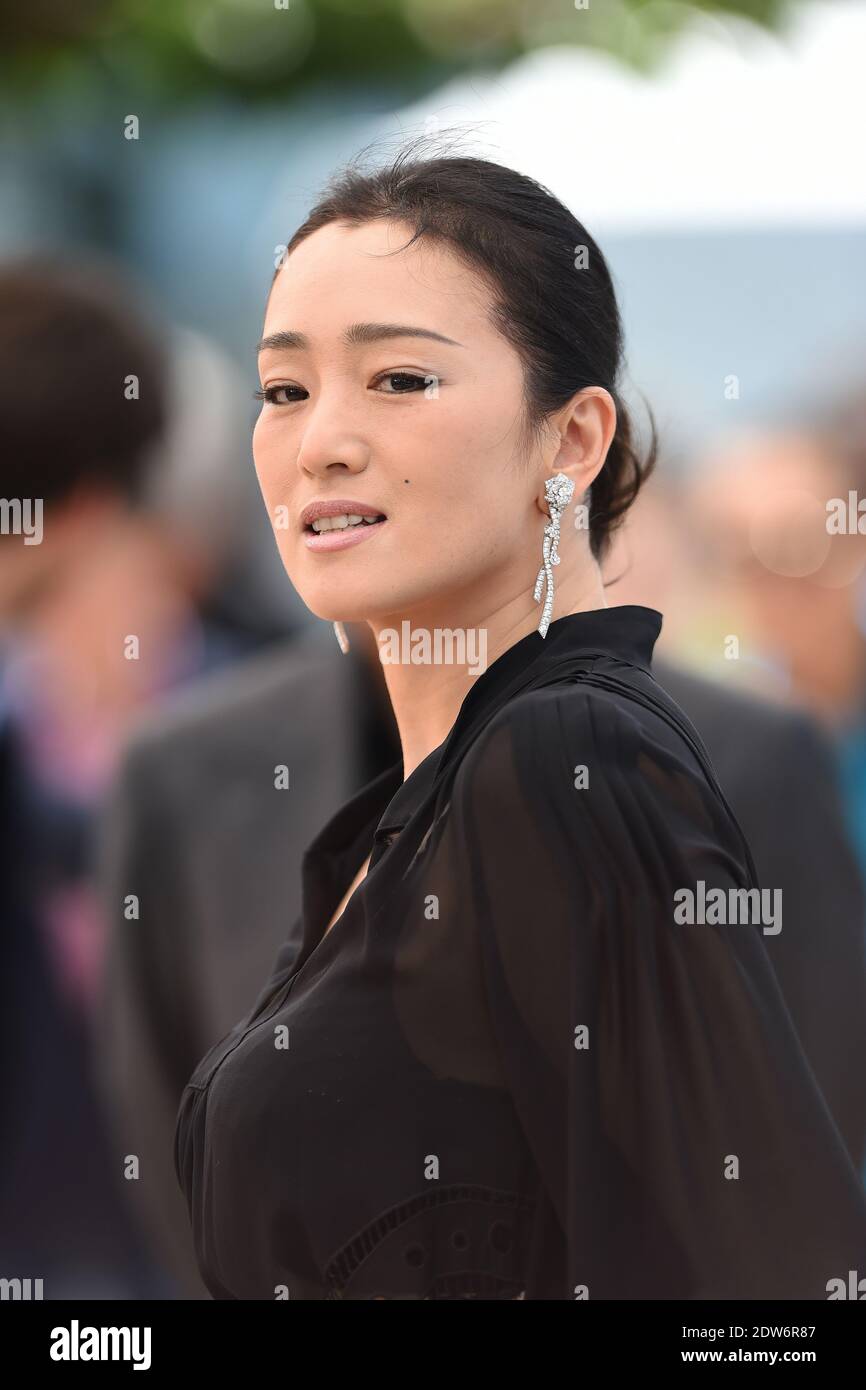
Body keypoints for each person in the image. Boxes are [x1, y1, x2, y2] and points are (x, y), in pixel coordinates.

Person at [173, 142, 866, 1300]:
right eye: (284, 388)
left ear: (573, 439)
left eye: (399, 379)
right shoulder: (396, 818)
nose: (320, 440)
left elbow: (776, 1296)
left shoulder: (564, 755)